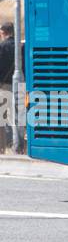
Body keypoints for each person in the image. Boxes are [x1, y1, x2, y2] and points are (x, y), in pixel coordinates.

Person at [0, 23, 15, 154]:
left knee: (3, 116)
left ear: (3, 32)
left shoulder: (2, 46)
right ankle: (19, 145)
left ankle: (6, 145)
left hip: (5, 85)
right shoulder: (20, 46)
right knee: (18, 115)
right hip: (20, 84)